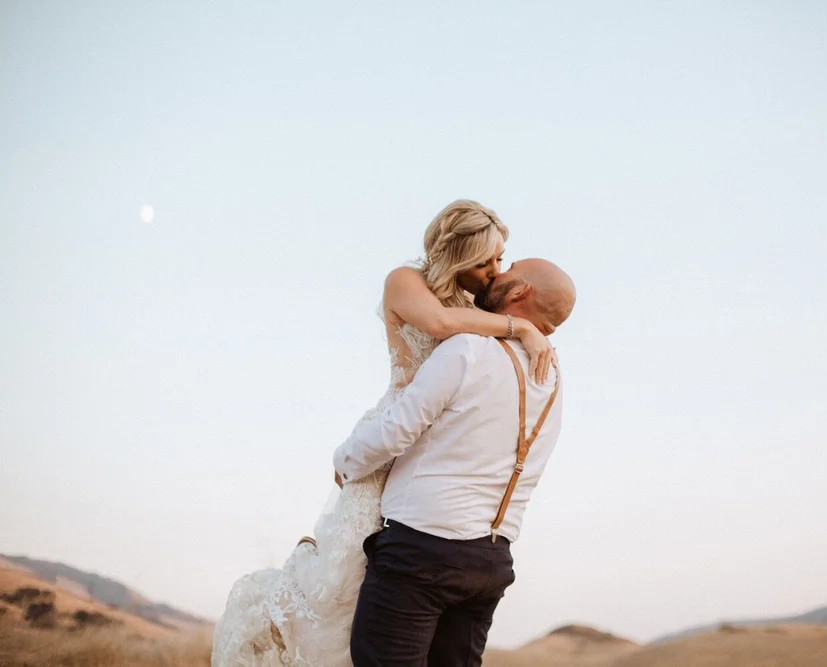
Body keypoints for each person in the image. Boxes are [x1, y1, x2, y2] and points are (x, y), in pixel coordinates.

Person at [212, 201, 555, 667]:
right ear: (455, 255)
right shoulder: (406, 282)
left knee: (398, 599)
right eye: (485, 262)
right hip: (393, 432)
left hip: (432, 446)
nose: (495, 273)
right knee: (343, 586)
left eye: (500, 259)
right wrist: (523, 327)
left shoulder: (478, 311)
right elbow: (438, 325)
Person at [336, 258, 576, 667]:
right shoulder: (551, 377)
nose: (497, 272)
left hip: (422, 552)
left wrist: (344, 462)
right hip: (492, 561)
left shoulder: (469, 349)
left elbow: (396, 430)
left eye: (507, 268)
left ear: (519, 292)